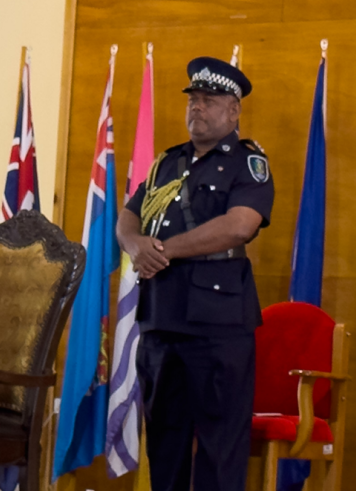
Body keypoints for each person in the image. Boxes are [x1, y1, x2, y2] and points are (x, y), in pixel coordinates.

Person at [116, 56, 273, 491]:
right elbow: (129, 216)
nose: (197, 107)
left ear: (234, 111)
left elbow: (240, 225)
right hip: (162, 319)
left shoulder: (248, 163)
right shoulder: (166, 163)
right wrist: (135, 245)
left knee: (220, 448)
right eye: (193, 100)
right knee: (164, 443)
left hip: (217, 325)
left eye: (209, 100)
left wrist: (162, 250)